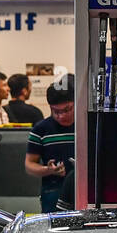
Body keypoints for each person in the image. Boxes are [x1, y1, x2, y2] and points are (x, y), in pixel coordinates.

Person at [26, 75, 74, 212]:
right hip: (53, 191)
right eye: (56, 111)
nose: (61, 116)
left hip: (84, 192)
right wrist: (48, 170)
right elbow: (29, 165)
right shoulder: (41, 129)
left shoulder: (86, 126)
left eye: (67, 110)